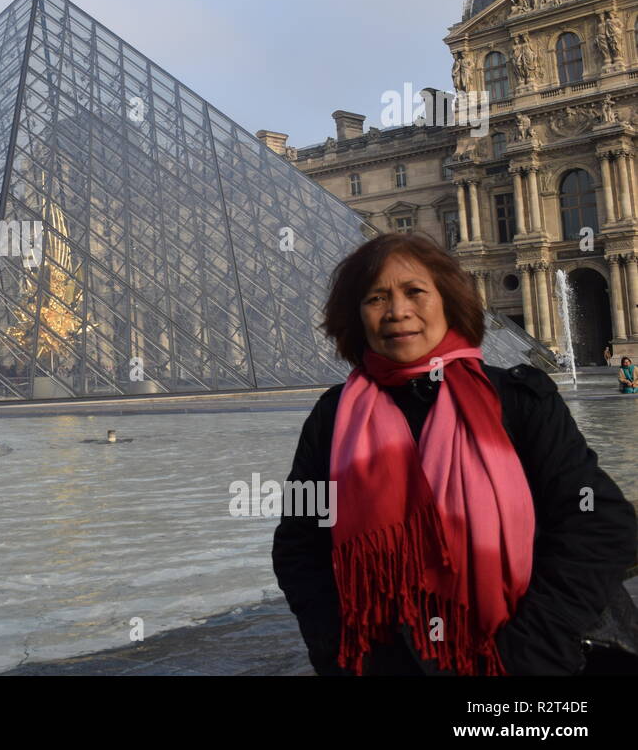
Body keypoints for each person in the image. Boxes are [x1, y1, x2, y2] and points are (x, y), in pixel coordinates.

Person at [272, 233, 637, 676]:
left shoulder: (518, 399)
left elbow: (599, 522)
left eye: (414, 292)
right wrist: (340, 653)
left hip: (526, 659)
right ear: (357, 316)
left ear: (449, 301)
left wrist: (527, 652)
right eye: (375, 298)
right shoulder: (332, 417)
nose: (397, 311)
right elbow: (298, 543)